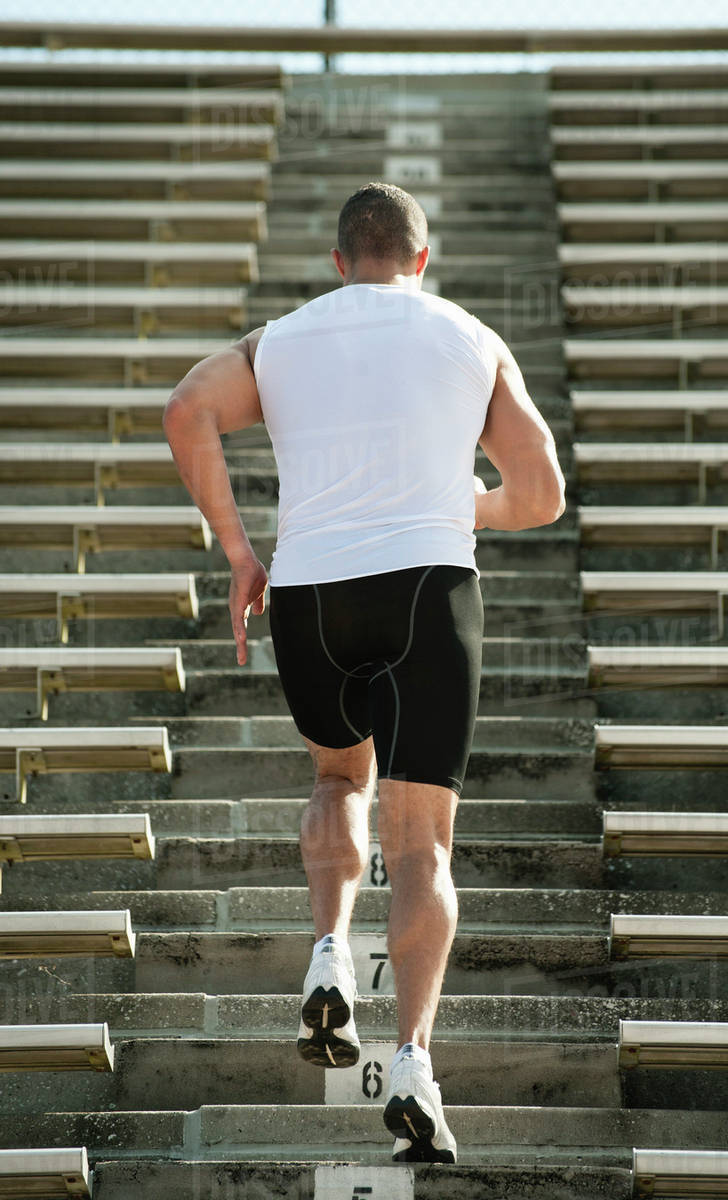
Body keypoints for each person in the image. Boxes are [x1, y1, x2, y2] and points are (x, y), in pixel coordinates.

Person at [162, 181, 565, 1164]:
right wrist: (460, 503)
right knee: (423, 840)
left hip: (310, 594)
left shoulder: (285, 339)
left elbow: (186, 410)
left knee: (339, 777)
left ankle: (327, 953)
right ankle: (416, 1066)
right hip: (429, 589)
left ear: (340, 262)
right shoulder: (469, 336)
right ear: (422, 261)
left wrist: (239, 553)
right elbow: (543, 494)